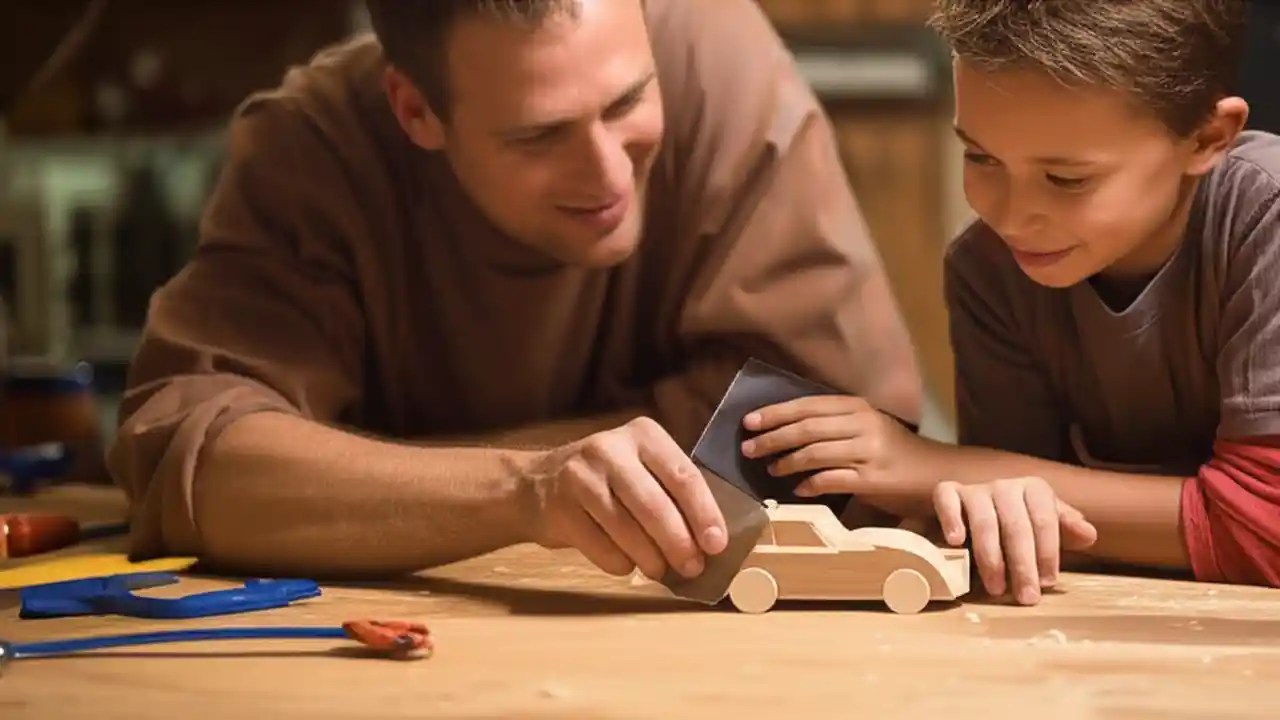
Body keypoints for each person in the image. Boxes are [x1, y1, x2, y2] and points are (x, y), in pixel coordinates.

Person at [107, 0, 924, 581]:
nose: (608, 177)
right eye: (539, 135)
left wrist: (367, 481)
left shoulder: (720, 57)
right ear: (416, 111)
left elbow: (834, 442)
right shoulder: (316, 144)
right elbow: (190, 462)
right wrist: (524, 489)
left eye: (629, 101)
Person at [740, 0, 1280, 604]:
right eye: (981, 157)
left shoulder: (1265, 219)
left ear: (1209, 138)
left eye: (1067, 179)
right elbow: (1025, 531)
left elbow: (1265, 529)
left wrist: (926, 468)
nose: (1009, 215)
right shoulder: (990, 270)